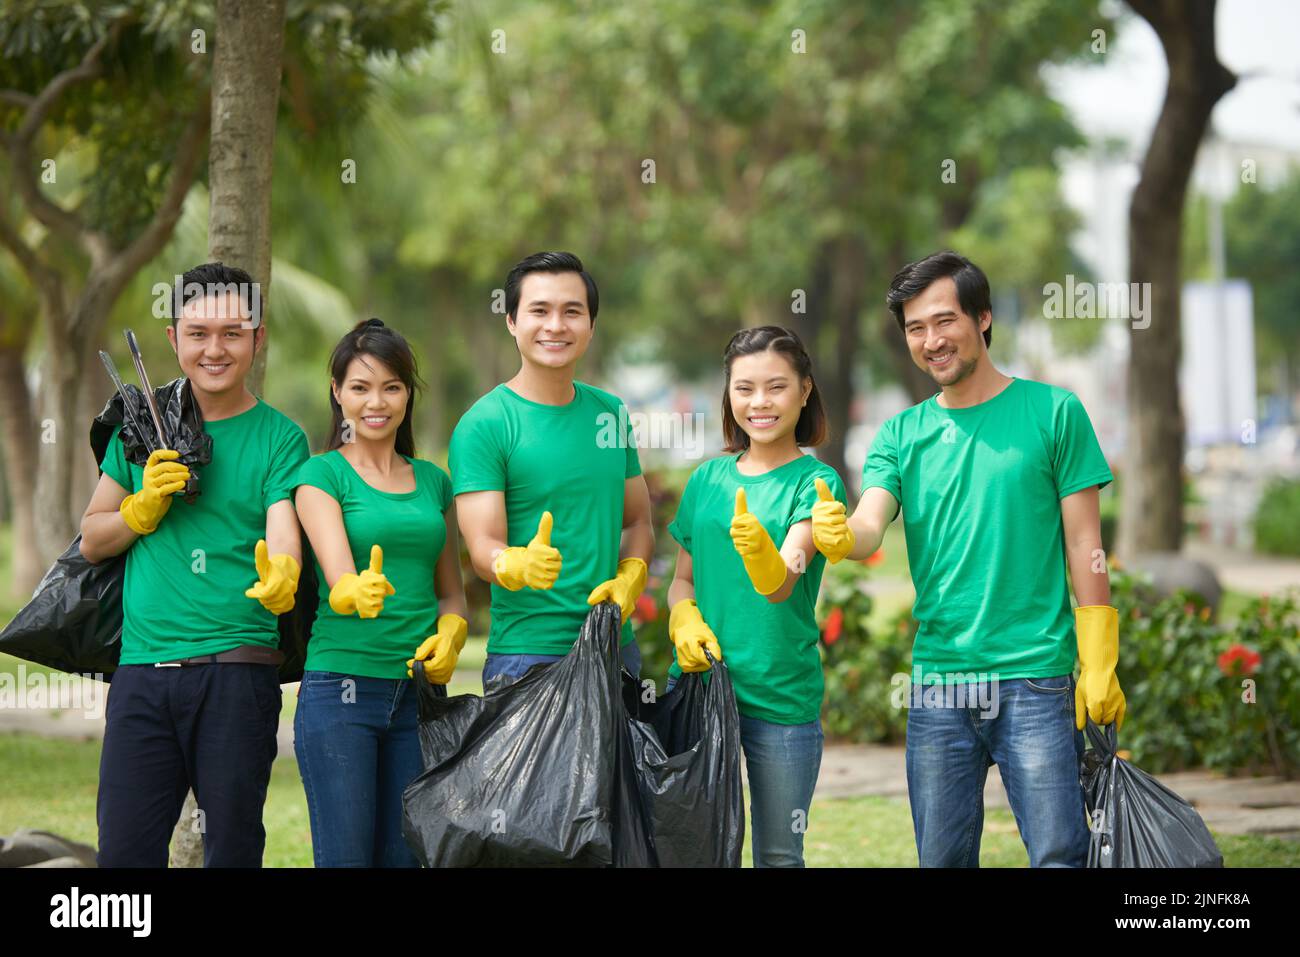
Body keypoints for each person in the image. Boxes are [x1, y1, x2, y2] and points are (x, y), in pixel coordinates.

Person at [811, 250, 1125, 868]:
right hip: (940, 685)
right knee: (942, 860)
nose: (930, 341)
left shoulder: (1054, 413)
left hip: (1035, 676)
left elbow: (1085, 544)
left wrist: (1098, 656)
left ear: (983, 318)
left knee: (1061, 854)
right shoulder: (900, 434)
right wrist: (841, 534)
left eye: (943, 321)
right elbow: (871, 523)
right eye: (914, 328)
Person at [80, 261, 309, 867]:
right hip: (142, 674)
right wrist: (141, 509)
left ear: (258, 339)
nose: (215, 349)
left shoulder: (280, 437)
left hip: (238, 672)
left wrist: (283, 572)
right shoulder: (137, 427)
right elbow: (91, 540)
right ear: (172, 339)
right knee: (124, 856)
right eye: (199, 333)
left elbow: (283, 527)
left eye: (233, 333)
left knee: (233, 850)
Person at [665, 326, 847, 868]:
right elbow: (683, 581)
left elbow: (784, 577)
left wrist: (762, 554)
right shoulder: (706, 479)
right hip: (700, 693)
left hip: (780, 699)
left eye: (776, 387)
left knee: (778, 854)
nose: (759, 402)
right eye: (744, 388)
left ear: (805, 390)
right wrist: (682, 619)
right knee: (696, 851)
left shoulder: (816, 483)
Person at [292, 318, 467, 868]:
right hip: (341, 689)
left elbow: (452, 596)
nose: (377, 402)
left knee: (406, 860)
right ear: (337, 394)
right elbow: (340, 576)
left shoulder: (435, 481)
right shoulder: (320, 476)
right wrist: (351, 589)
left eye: (392, 387)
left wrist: (452, 632)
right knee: (346, 858)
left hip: (417, 699)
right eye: (361, 387)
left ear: (408, 395)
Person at [450, 252, 653, 691]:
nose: (556, 326)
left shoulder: (610, 413)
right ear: (511, 321)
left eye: (572, 312)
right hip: (528, 657)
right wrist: (512, 563)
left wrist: (631, 575)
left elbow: (638, 520)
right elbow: (482, 544)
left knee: (618, 765)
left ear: (591, 326)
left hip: (614, 648)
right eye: (539, 311)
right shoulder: (485, 424)